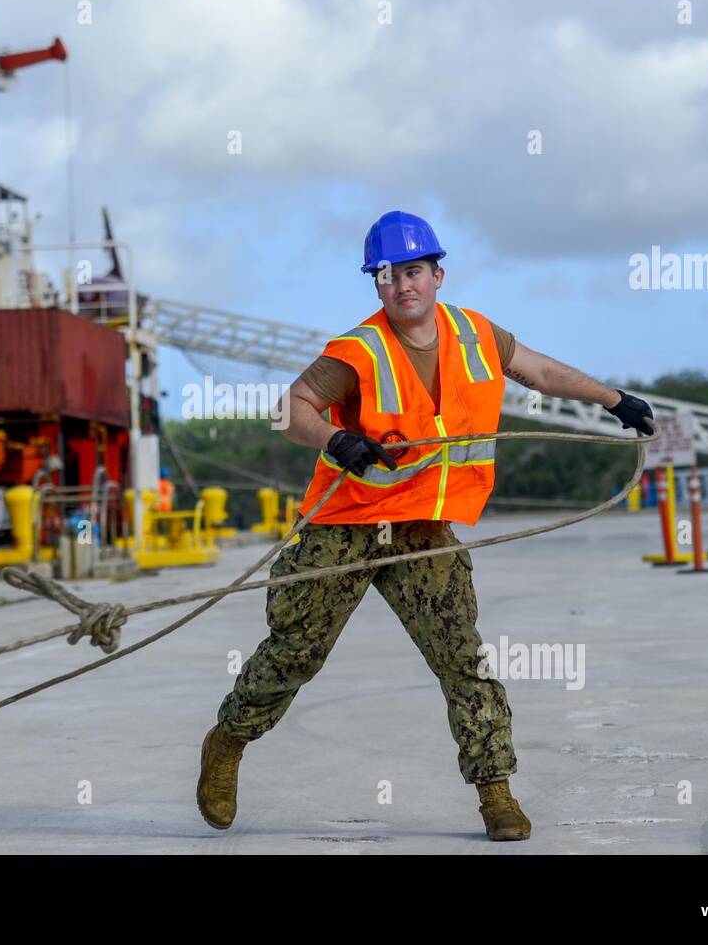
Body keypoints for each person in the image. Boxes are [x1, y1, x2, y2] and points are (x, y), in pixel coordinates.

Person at [197, 211, 653, 841]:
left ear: (437, 274)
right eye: (387, 276)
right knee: (294, 653)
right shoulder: (357, 350)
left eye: (413, 271)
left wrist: (614, 400)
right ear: (377, 285)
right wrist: (337, 439)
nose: (401, 285)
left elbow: (541, 372)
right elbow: (289, 411)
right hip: (347, 526)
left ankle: (496, 791)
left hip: (422, 531)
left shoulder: (476, 334)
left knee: (462, 658)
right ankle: (228, 740)